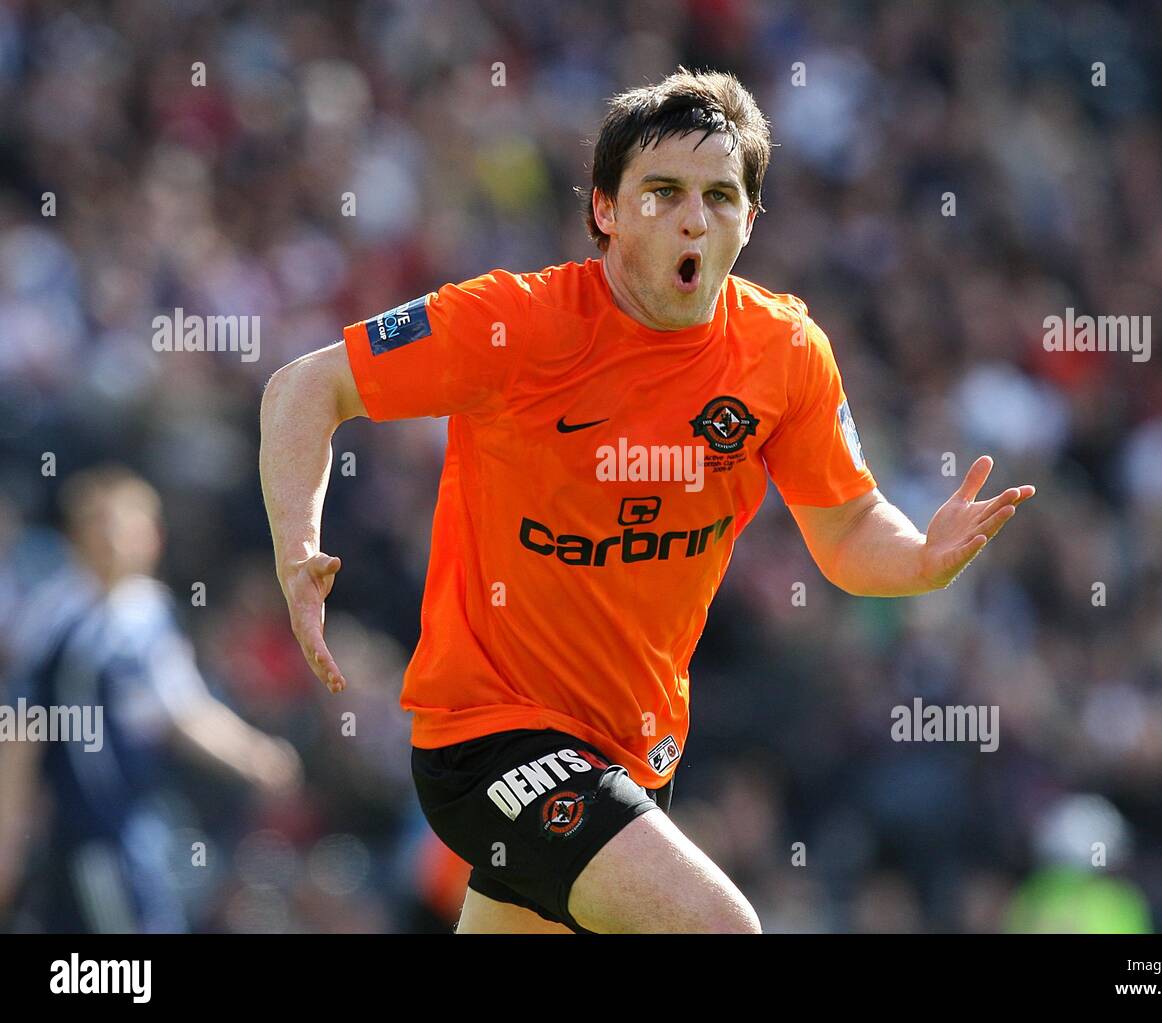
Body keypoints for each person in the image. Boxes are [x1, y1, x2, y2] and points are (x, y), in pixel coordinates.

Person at [259, 67, 1035, 934]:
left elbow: (850, 525)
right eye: (661, 192)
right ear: (606, 210)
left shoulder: (784, 352)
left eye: (719, 195)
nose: (692, 217)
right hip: (490, 739)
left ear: (750, 219)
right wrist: (297, 550)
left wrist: (922, 560)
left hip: (634, 752)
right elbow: (304, 387)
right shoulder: (517, 323)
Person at [0, 465, 302, 932]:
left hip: (135, 822)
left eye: (123, 525)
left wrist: (251, 753)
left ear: (152, 536)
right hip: (87, 832)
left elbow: (182, 710)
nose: (112, 539)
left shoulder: (148, 612)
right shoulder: (56, 620)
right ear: (77, 535)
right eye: (99, 525)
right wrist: (8, 841)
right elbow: (20, 729)